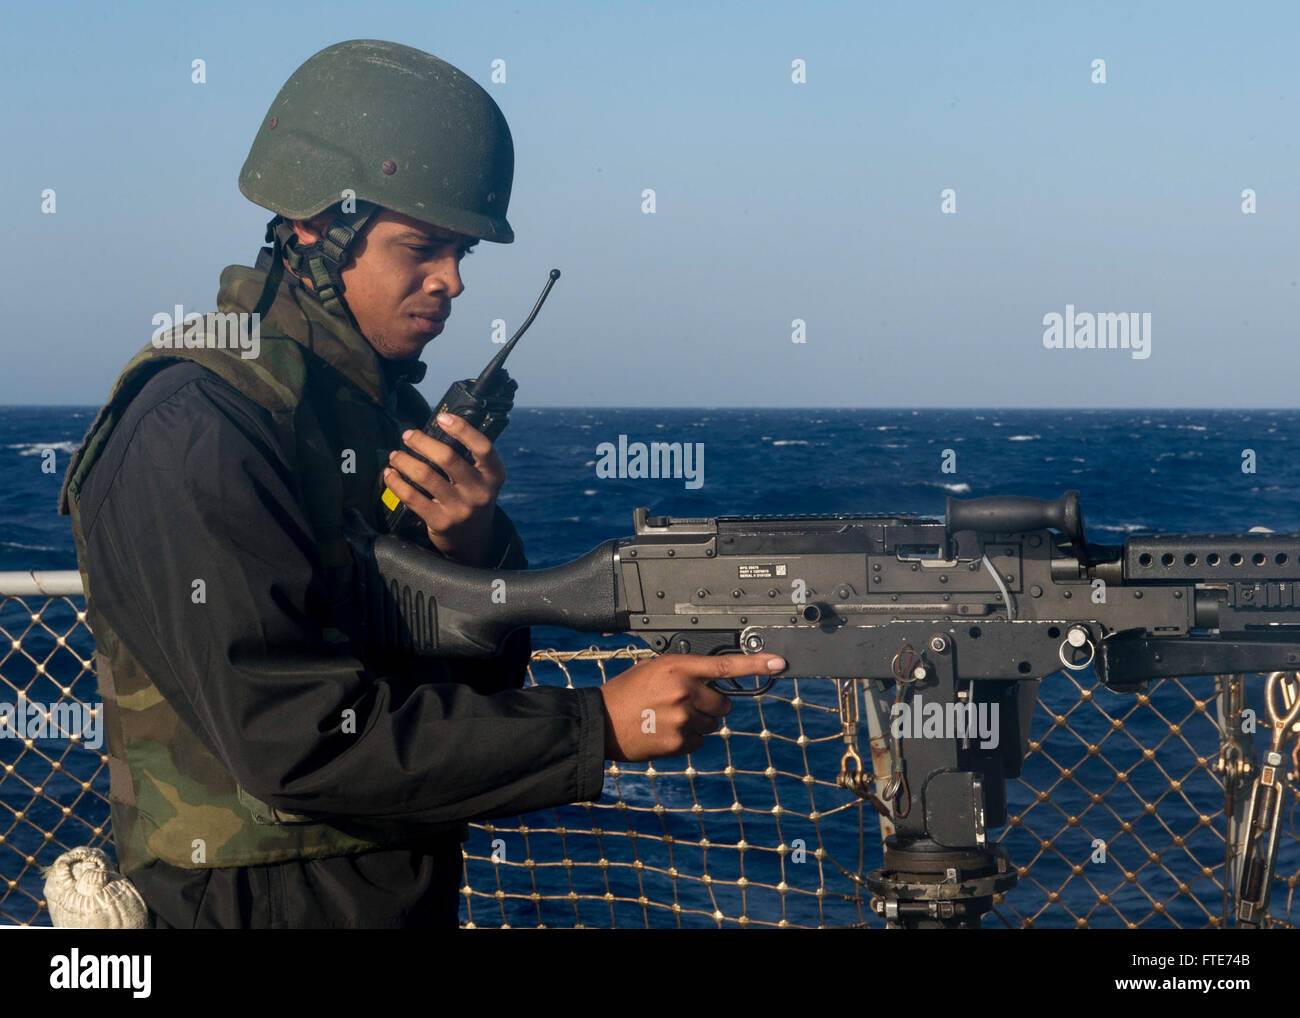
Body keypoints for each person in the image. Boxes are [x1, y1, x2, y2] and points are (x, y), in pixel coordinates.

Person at [56, 38, 785, 929]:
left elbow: (457, 699)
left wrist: (471, 550)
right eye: (423, 248)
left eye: (461, 252)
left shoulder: (375, 411)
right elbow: (296, 743)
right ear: (317, 228)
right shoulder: (198, 425)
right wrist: (598, 725)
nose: (452, 282)